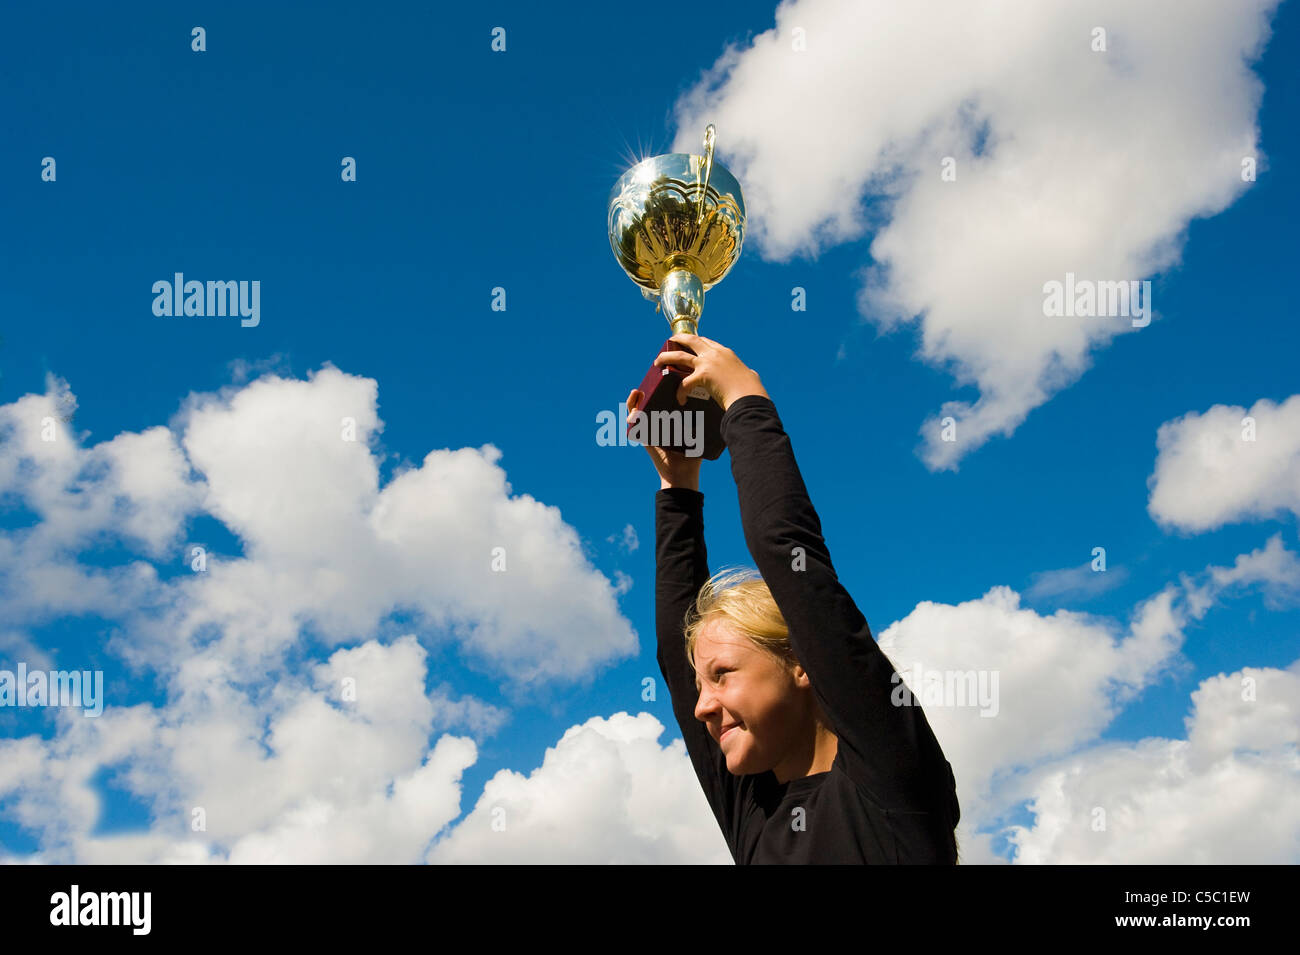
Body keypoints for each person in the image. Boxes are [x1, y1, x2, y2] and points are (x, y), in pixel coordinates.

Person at [627, 332, 961, 865]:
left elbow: (789, 555)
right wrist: (679, 485)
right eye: (704, 683)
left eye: (723, 674)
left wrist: (743, 398)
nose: (702, 706)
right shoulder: (754, 813)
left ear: (802, 661)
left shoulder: (889, 776)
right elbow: (674, 652)